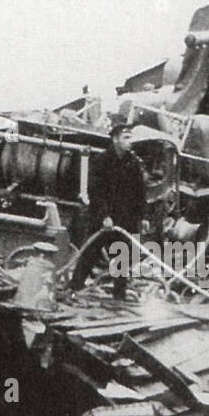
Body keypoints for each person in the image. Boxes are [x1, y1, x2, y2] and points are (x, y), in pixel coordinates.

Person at [70, 122, 148, 300]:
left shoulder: (133, 163)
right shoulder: (102, 161)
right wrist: (104, 216)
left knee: (122, 256)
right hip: (103, 219)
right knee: (91, 252)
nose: (130, 142)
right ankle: (74, 288)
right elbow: (95, 191)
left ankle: (119, 296)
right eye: (126, 138)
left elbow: (140, 192)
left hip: (125, 219)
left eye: (131, 137)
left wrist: (143, 217)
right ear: (115, 139)